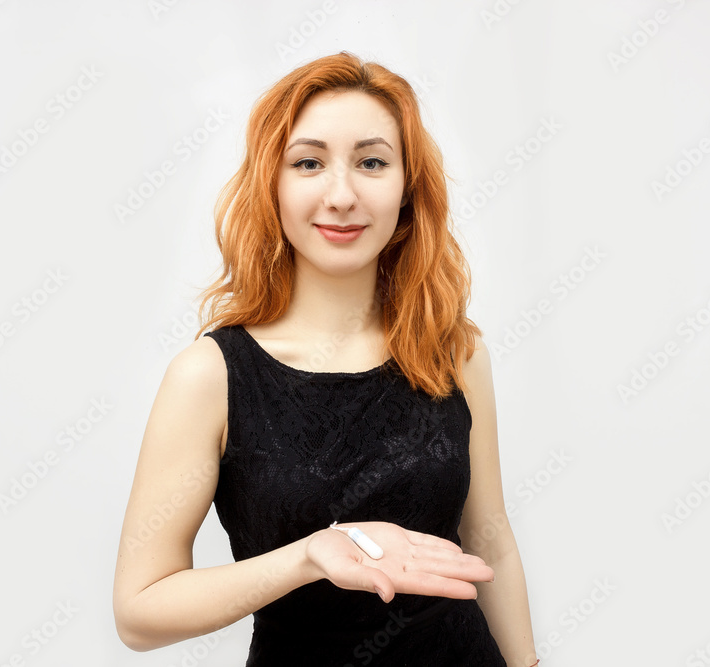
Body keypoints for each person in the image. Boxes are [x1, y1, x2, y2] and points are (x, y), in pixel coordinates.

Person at [112, 51, 538, 666]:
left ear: (407, 190)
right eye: (309, 162)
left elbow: (489, 540)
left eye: (371, 162)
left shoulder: (454, 351)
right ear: (273, 185)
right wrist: (310, 557)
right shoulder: (210, 376)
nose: (342, 194)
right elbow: (139, 611)